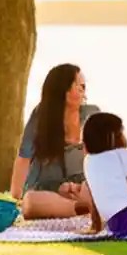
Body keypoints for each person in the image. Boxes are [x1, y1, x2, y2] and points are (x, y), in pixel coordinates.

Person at [11, 63, 99, 219]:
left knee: (94, 190)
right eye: (78, 86)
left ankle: (84, 207)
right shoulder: (41, 116)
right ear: (63, 90)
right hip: (49, 190)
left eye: (84, 86)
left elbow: (104, 158)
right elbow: (24, 157)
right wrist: (16, 198)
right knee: (30, 202)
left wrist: (78, 188)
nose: (83, 91)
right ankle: (81, 209)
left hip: (81, 187)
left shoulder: (92, 114)